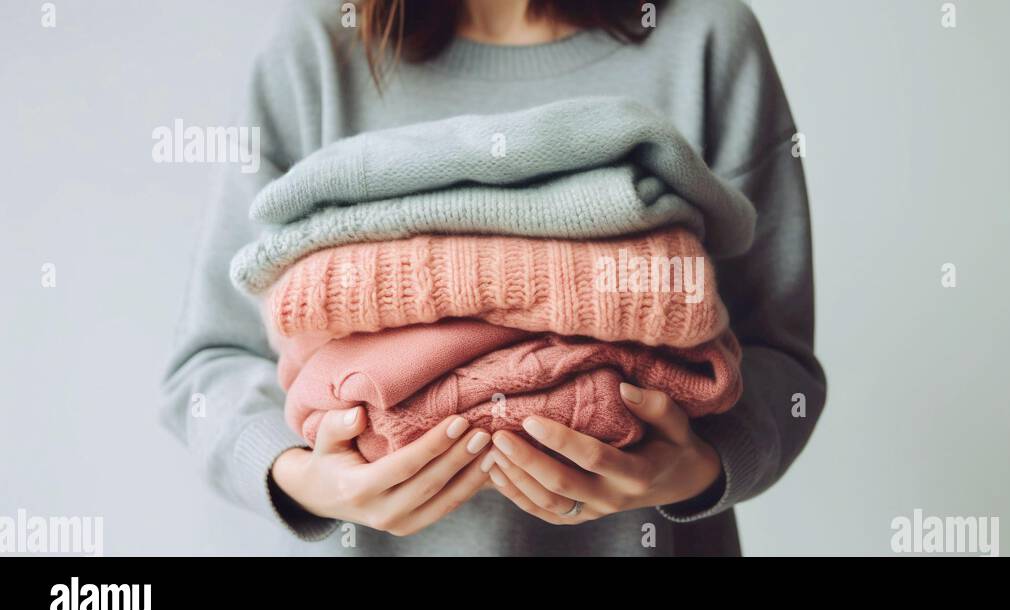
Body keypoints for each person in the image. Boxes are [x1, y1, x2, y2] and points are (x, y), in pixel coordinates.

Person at [161, 0, 825, 556]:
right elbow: (210, 361)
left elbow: (779, 358)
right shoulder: (319, 45)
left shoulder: (706, 36)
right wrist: (304, 480)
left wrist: (699, 469)